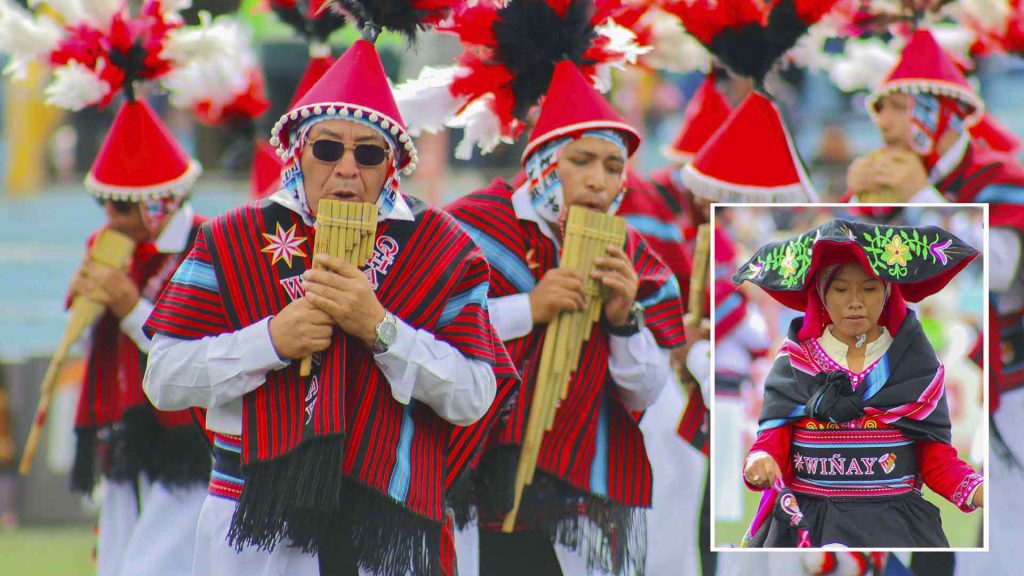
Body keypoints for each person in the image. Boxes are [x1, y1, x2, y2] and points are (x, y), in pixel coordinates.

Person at [143, 35, 515, 576]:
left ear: (391, 166)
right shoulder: (231, 239)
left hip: (382, 524)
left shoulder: (444, 248)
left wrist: (382, 330)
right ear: (298, 150)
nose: (346, 169)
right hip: (251, 522)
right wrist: (269, 340)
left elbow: (474, 397)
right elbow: (164, 379)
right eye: (327, 149)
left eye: (367, 153)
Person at [447, 60, 686, 576]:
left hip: (571, 486)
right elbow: (430, 333)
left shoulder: (632, 254)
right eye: (582, 160)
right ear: (544, 164)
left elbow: (644, 392)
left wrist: (623, 320)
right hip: (467, 472)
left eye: (613, 166)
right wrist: (527, 310)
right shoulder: (470, 225)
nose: (599, 182)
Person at [736, 217, 984, 548]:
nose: (855, 301)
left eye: (868, 288)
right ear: (821, 294)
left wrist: (979, 489)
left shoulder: (916, 365)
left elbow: (935, 458)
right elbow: (774, 439)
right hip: (808, 525)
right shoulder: (795, 361)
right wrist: (760, 460)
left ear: (887, 292)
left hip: (892, 525)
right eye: (840, 289)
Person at [69, 97, 210, 576]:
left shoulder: (207, 246)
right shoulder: (112, 247)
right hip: (127, 435)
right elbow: (92, 349)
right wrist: (87, 307)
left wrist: (131, 308)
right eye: (101, 201)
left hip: (190, 446)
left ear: (160, 202)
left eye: (121, 203)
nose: (108, 216)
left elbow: (198, 355)